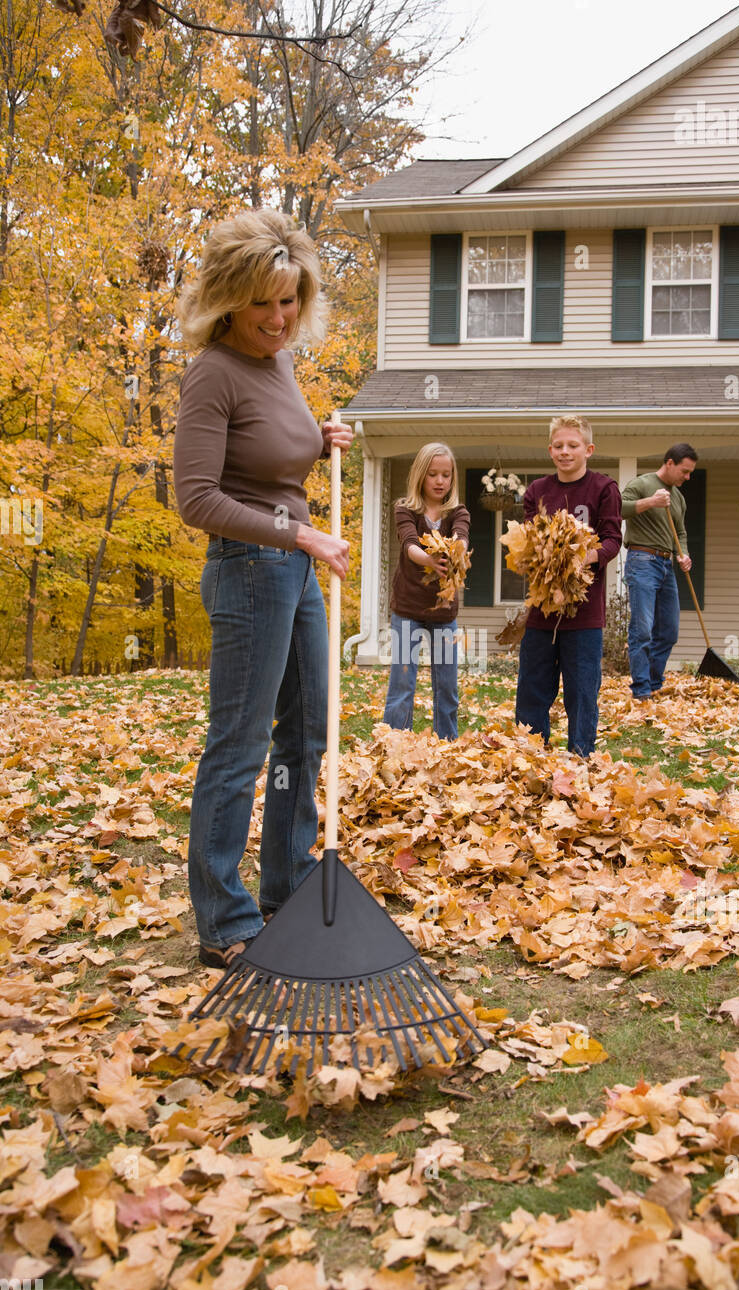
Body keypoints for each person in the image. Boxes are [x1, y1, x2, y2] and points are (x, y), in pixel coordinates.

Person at [172, 209, 353, 968]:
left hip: (294, 568)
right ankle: (222, 917)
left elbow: (274, 454)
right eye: (262, 304)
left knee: (305, 730)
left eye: (289, 300)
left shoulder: (277, 363)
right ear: (229, 300)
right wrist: (299, 534)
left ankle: (287, 880)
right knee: (240, 743)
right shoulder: (212, 373)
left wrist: (322, 439)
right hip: (251, 571)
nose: (278, 318)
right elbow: (197, 499)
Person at [515, 415, 622, 756]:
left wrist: (580, 557)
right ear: (550, 450)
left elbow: (612, 541)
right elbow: (531, 541)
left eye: (573, 445)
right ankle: (531, 755)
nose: (565, 452)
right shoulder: (536, 492)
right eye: (559, 446)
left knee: (582, 691)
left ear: (588, 449)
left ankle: (581, 756)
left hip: (585, 613)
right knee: (532, 688)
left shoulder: (604, 489)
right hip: (542, 610)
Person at [383, 442, 470, 740]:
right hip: (407, 609)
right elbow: (409, 545)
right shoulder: (405, 509)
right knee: (402, 683)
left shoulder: (458, 511)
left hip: (444, 613)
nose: (439, 481)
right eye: (433, 474)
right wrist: (430, 560)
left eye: (446, 475)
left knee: (446, 686)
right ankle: (395, 743)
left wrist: (457, 549)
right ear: (420, 475)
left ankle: (447, 744)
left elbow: (462, 537)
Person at [620, 443, 697, 702]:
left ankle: (653, 683)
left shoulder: (678, 498)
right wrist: (651, 502)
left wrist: (683, 553)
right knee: (642, 630)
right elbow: (617, 509)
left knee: (669, 632)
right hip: (641, 560)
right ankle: (641, 689)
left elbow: (681, 533)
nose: (687, 477)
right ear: (670, 463)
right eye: (684, 471)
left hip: (666, 565)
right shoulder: (642, 484)